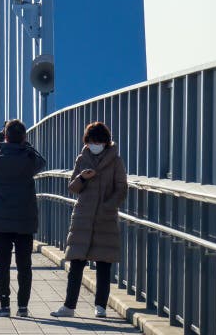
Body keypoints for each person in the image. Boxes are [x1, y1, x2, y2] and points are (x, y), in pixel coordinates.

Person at [51, 122, 127, 319]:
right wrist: (83, 178)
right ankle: (69, 306)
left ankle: (100, 306)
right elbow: (73, 188)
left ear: (105, 142)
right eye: (90, 141)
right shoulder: (82, 158)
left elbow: (121, 188)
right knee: (76, 263)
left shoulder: (115, 161)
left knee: (104, 264)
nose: (94, 145)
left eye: (97, 142)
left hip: (105, 218)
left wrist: (108, 206)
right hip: (83, 217)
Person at [0, 119, 46, 318]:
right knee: (24, 265)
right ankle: (23, 307)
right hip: (25, 220)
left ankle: (4, 305)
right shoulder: (29, 158)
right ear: (24, 138)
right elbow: (41, 160)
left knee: (2, 265)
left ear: (5, 136)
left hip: (1, 220)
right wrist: (25, 145)